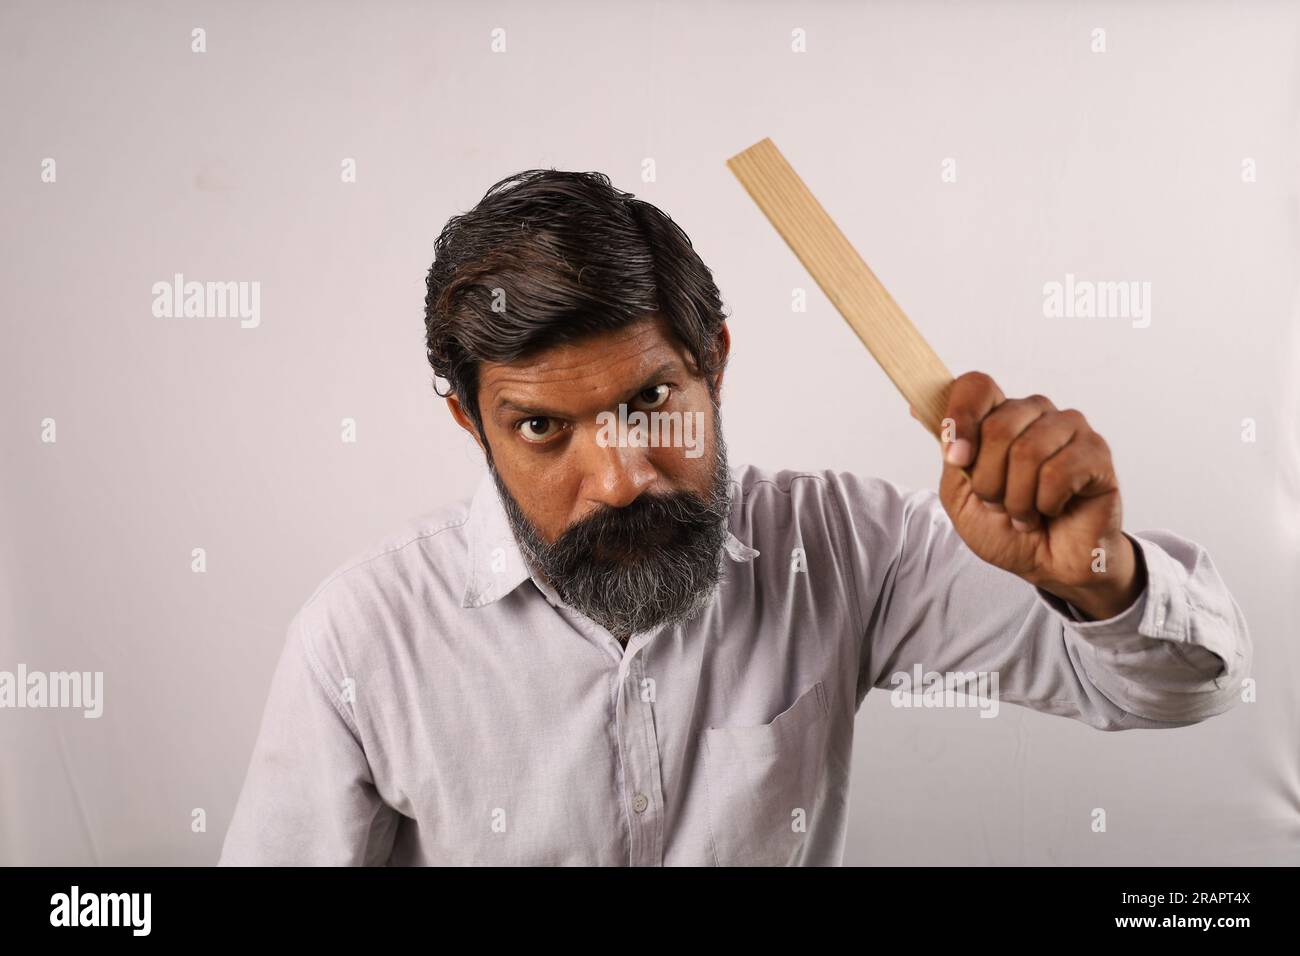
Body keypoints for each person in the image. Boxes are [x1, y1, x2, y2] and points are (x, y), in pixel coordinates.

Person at [218, 170, 1251, 866]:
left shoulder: (847, 546)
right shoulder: (359, 637)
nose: (619, 479)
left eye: (650, 401)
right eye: (541, 427)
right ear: (468, 419)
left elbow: (1174, 693)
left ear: (713, 359)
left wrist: (1096, 572)